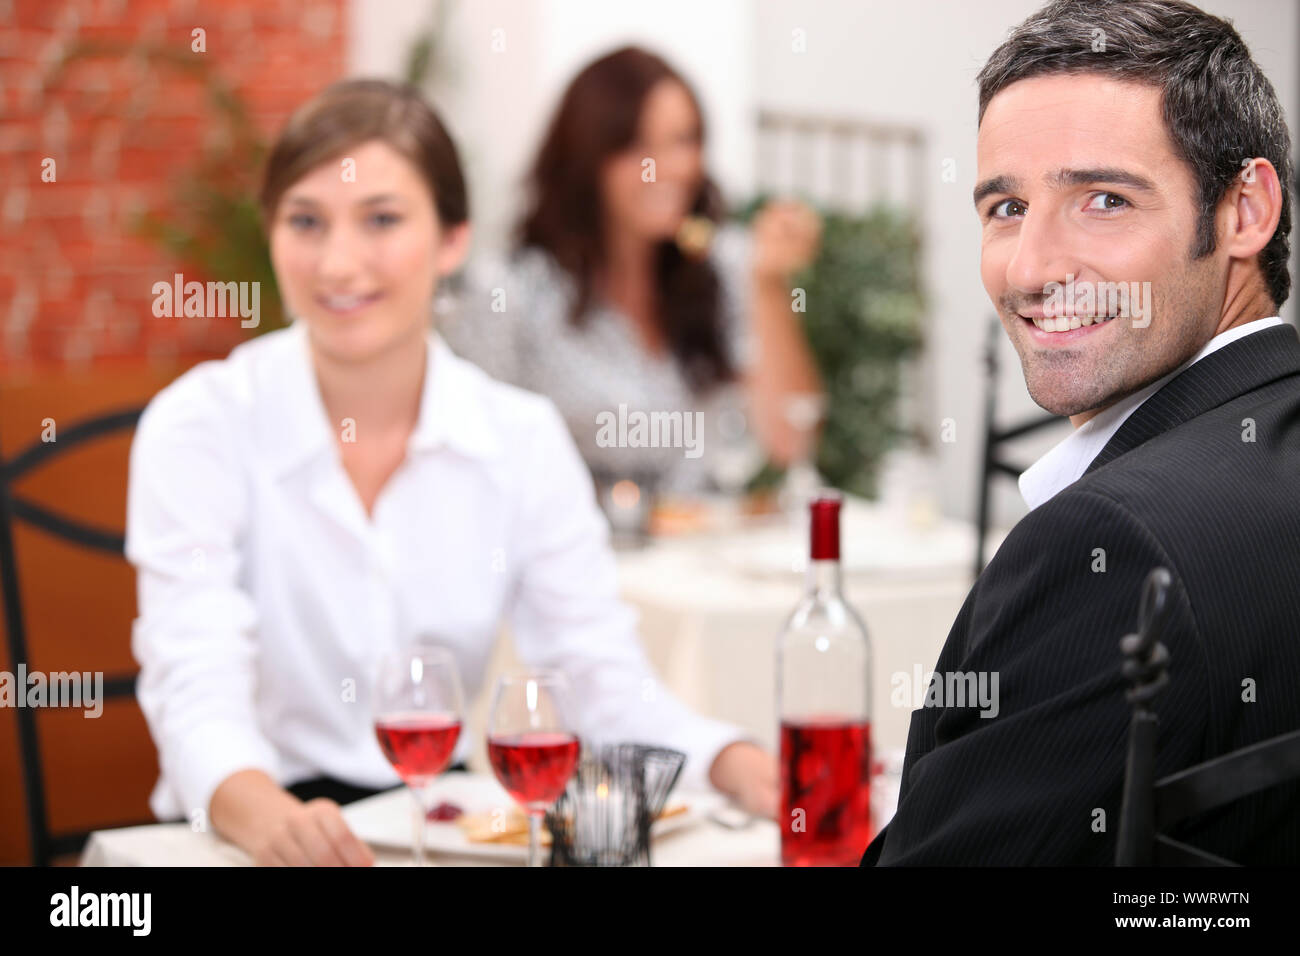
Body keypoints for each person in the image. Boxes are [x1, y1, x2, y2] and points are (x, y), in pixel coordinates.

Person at [126, 79, 776, 867]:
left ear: (453, 240)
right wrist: (264, 818)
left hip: (437, 827)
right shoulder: (202, 426)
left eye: (383, 220)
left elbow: (599, 679)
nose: (338, 262)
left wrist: (737, 766)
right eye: (306, 221)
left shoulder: (519, 439)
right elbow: (194, 684)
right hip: (240, 827)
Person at [864, 0, 1300, 865]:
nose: (1030, 268)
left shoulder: (1112, 549)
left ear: (1246, 211)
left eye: (1104, 199)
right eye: (1007, 206)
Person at [441, 46, 823, 495]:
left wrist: (769, 284)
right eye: (641, 147)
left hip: (705, 549)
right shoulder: (511, 292)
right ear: (588, 159)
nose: (674, 167)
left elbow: (790, 440)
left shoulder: (727, 267)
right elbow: (474, 458)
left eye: (684, 140)